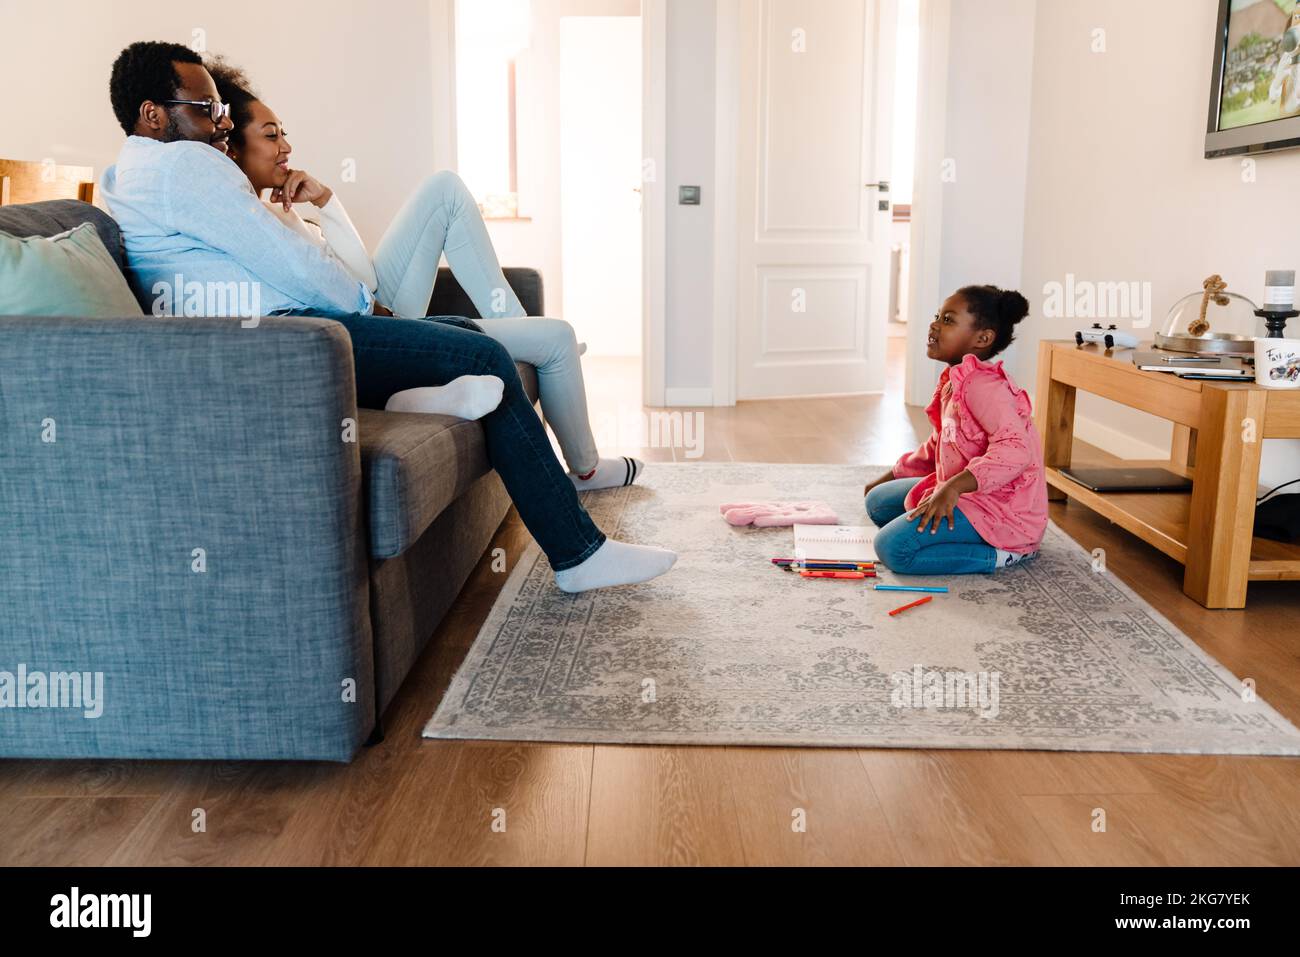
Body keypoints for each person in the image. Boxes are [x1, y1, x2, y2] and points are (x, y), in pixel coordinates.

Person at [101, 41, 674, 593]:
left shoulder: (136, 173)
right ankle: (578, 552)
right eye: (206, 109)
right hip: (292, 337)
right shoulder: (185, 166)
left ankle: (452, 419)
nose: (220, 123)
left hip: (285, 333)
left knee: (455, 336)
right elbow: (289, 262)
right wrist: (361, 305)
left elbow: (275, 257)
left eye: (222, 110)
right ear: (153, 115)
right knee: (486, 355)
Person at [204, 56, 641, 492]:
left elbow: (364, 280)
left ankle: (493, 356)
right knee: (557, 338)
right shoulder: (254, 226)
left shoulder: (280, 212)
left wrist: (326, 202)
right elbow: (355, 295)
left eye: (284, 133)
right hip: (374, 336)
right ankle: (586, 471)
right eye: (270, 135)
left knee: (445, 189)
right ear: (234, 148)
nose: (286, 146)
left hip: (378, 318)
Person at [861, 286, 1047, 574]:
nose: (934, 324)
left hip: (1001, 507)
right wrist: (893, 474)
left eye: (948, 320)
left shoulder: (985, 387)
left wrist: (954, 486)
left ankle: (1004, 553)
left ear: (982, 338)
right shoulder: (955, 379)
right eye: (938, 316)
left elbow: (1016, 449)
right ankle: (951, 530)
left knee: (893, 549)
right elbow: (942, 443)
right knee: (878, 503)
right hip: (965, 490)